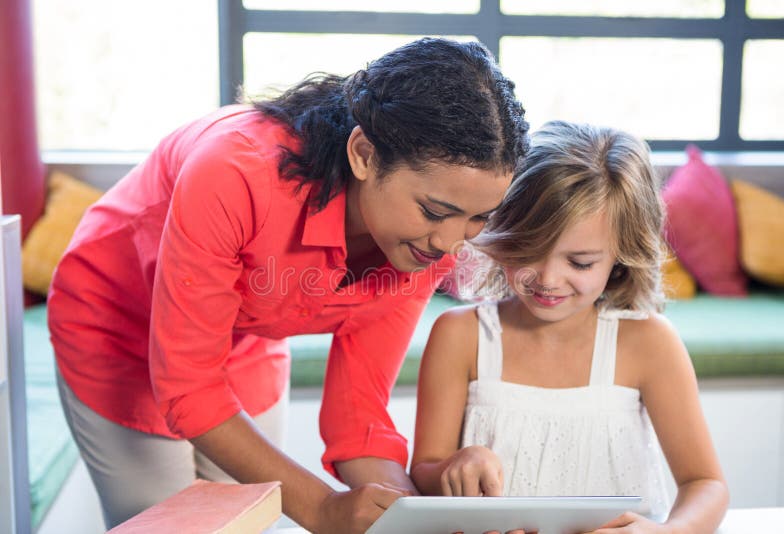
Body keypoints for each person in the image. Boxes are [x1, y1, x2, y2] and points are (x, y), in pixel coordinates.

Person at [48, 37, 530, 533]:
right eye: (435, 212)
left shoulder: (421, 241)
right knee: (171, 524)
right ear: (364, 153)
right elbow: (190, 390)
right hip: (116, 326)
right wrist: (321, 509)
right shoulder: (233, 171)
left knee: (247, 518)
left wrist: (412, 522)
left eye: (477, 219)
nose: (452, 243)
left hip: (246, 336)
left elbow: (357, 418)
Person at [410, 121, 729, 533]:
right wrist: (454, 467)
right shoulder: (461, 335)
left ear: (622, 254)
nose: (548, 278)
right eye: (528, 251)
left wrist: (670, 531)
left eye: (579, 263)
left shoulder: (648, 342)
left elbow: (705, 483)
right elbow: (423, 470)